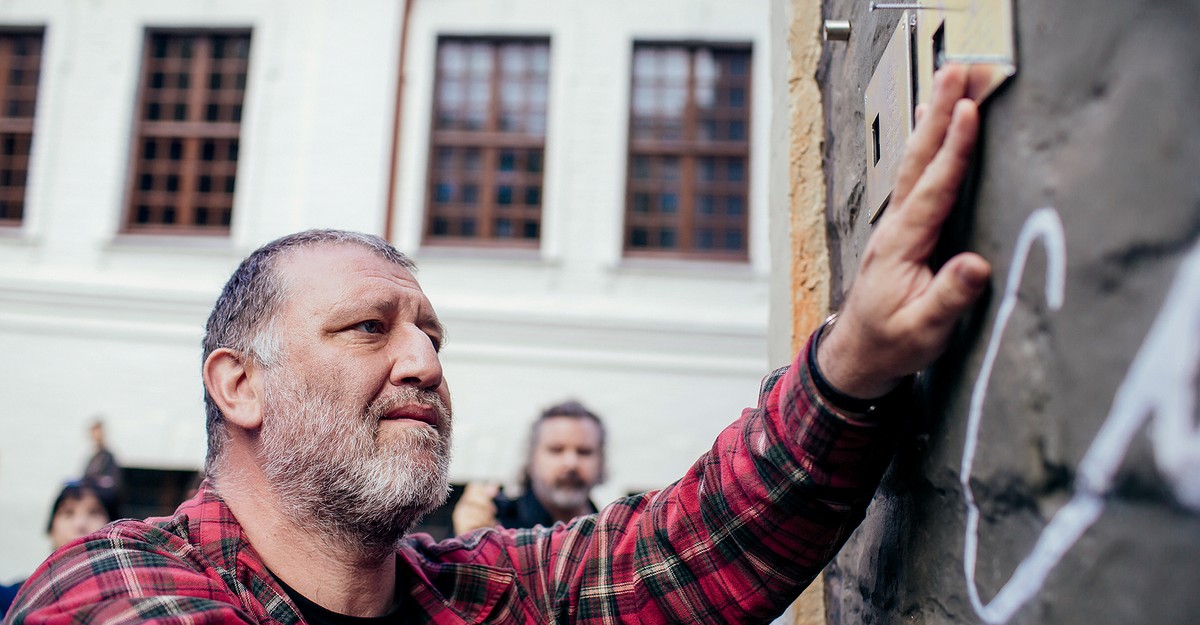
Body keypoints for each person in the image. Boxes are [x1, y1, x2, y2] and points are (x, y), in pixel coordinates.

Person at [7, 66, 989, 623]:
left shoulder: (478, 590)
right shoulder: (113, 586)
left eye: (432, 335)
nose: (425, 363)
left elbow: (688, 544)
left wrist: (854, 360)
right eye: (368, 328)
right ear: (239, 384)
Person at [453, 400, 605, 534]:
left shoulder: (611, 533)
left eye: (584, 452)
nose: (571, 463)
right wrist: (470, 543)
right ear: (532, 458)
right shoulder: (496, 523)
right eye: (556, 450)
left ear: (601, 461)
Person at [1, 482, 113, 619]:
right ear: (51, 530)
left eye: (94, 513)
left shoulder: (131, 592)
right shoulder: (14, 599)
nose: (80, 524)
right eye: (68, 513)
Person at [81, 418, 122, 511]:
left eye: (97, 432)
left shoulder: (108, 457)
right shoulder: (93, 457)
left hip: (102, 500)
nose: (95, 436)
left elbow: (114, 484)